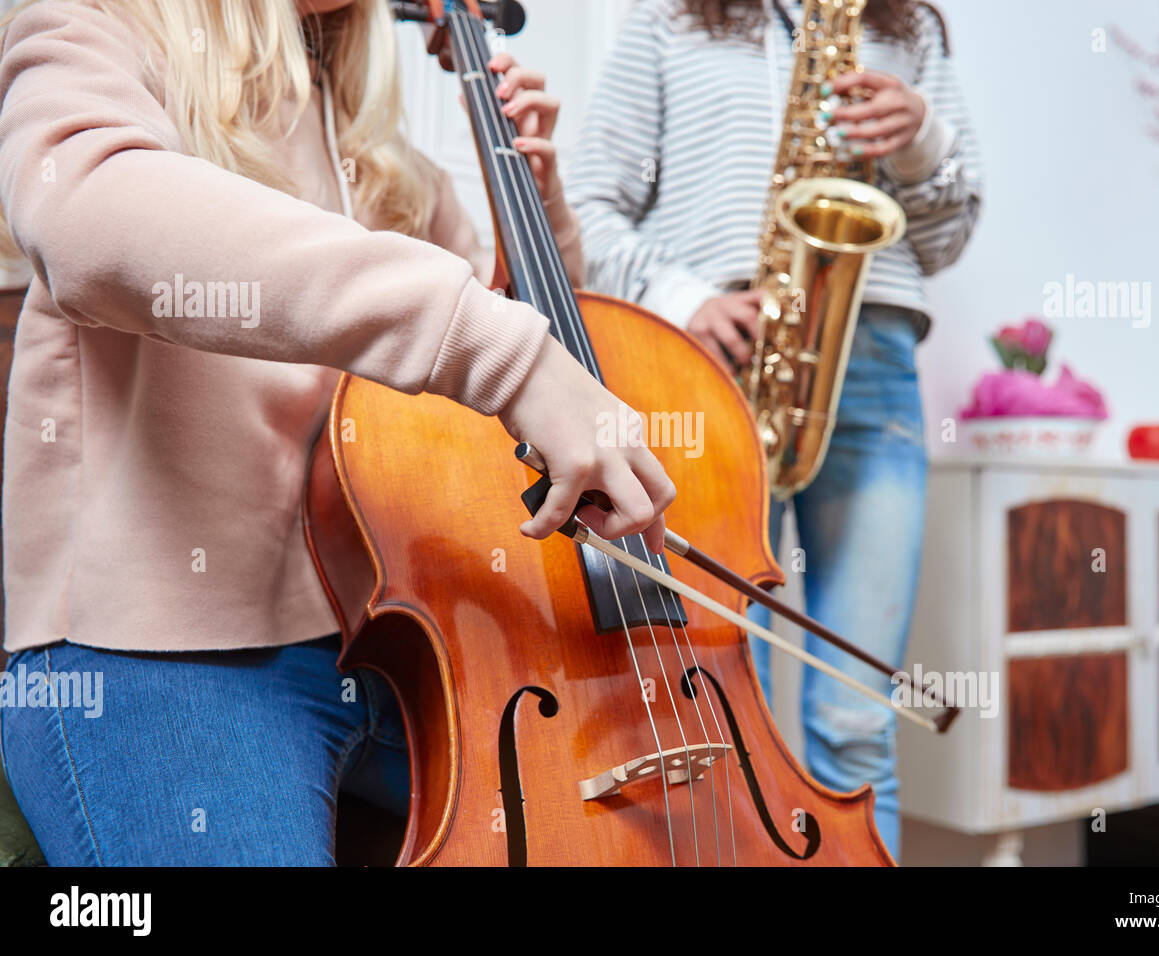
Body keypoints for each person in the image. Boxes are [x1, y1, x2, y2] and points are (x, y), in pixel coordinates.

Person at [0, 0, 674, 866]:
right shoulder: (96, 20)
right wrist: (494, 346)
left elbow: (529, 371)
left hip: (394, 638)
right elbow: (88, 216)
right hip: (164, 650)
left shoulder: (381, 156)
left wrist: (541, 213)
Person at [566, 0, 981, 857]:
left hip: (872, 359)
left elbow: (947, 238)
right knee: (713, 706)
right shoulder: (663, 22)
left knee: (857, 717)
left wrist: (922, 142)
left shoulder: (910, 32)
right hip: (709, 361)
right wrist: (686, 300)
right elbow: (589, 206)